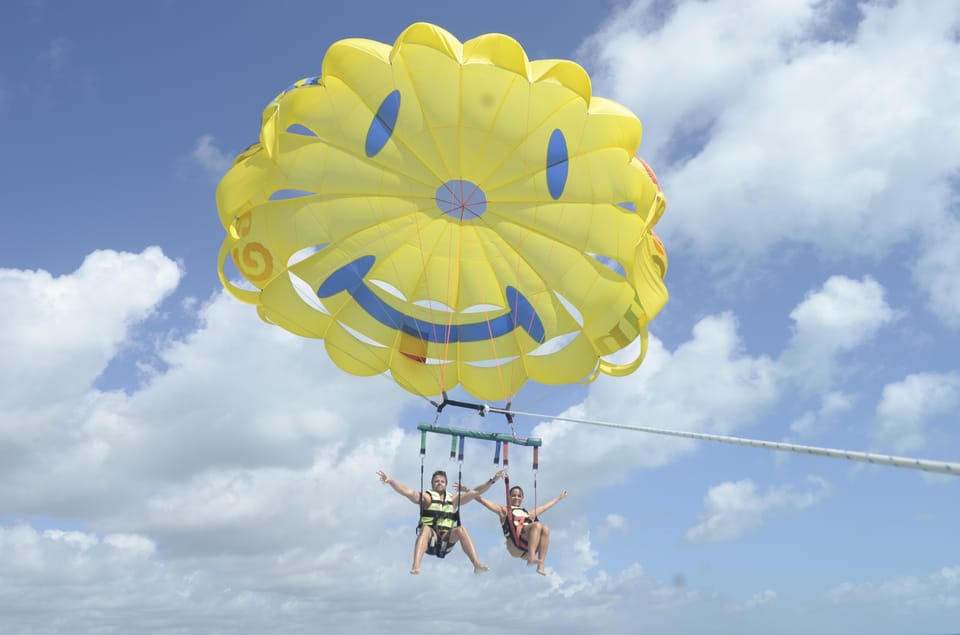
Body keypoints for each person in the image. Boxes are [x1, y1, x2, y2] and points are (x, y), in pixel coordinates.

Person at [377, 468, 505, 574]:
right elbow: (408, 492)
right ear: (432, 484)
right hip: (429, 542)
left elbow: (475, 492)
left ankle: (476, 564)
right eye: (436, 481)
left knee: (461, 529)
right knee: (426, 528)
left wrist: (492, 480)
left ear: (446, 484)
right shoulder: (427, 497)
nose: (439, 483)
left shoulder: (454, 499)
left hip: (445, 543)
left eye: (442, 481)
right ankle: (416, 565)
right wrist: (391, 482)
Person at [475, 485, 568, 575]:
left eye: (519, 496)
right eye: (514, 495)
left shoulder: (527, 513)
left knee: (546, 529)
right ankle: (532, 558)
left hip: (526, 549)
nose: (516, 498)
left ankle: (540, 565)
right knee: (537, 525)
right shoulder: (503, 510)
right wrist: (468, 491)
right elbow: (481, 500)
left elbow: (544, 507)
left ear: (522, 498)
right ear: (509, 497)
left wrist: (559, 498)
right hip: (515, 545)